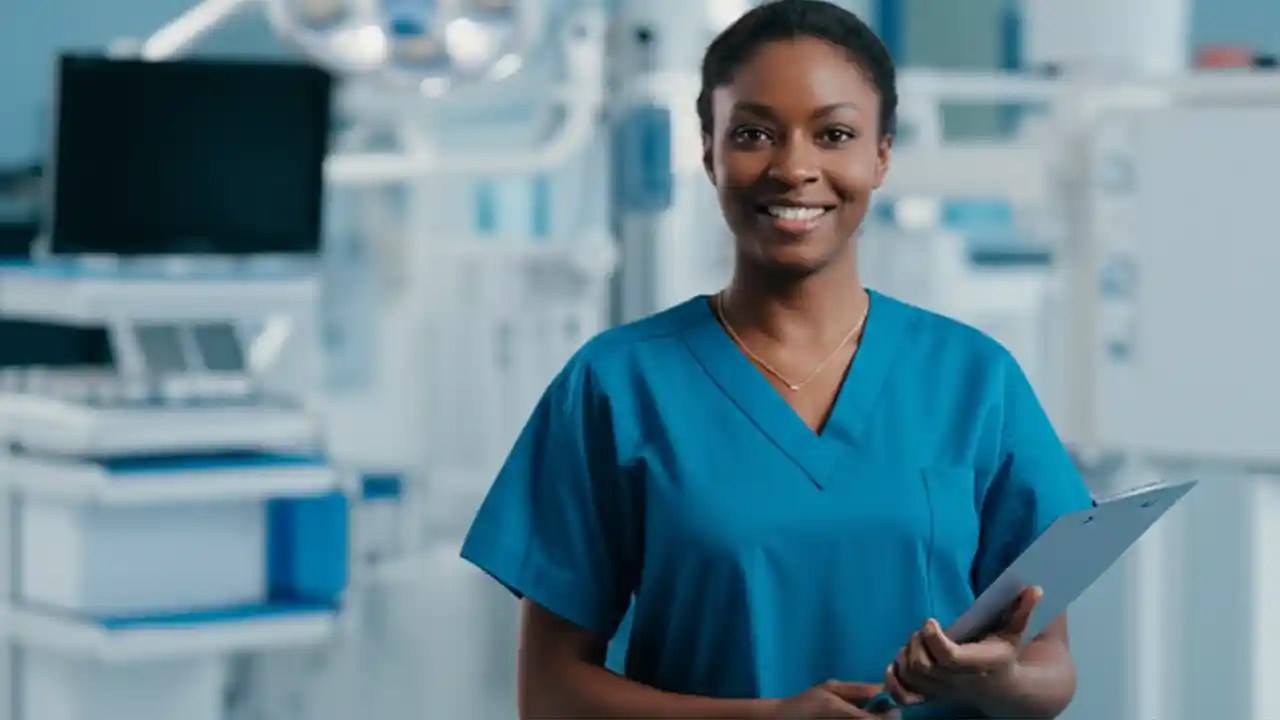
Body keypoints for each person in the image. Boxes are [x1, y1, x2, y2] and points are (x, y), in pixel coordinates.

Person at [460, 1, 1093, 717]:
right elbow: (549, 695)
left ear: (881, 155)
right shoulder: (615, 386)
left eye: (834, 135)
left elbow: (1051, 668)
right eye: (754, 134)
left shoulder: (974, 380)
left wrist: (997, 679)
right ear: (709, 152)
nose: (795, 167)